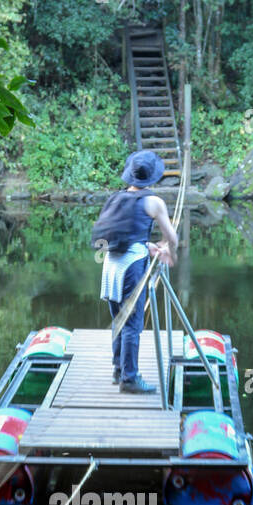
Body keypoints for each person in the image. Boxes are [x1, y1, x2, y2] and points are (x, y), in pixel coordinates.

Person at [100, 150, 178, 394]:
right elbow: (172, 236)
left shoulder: (116, 198)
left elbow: (119, 233)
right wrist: (170, 252)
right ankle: (129, 379)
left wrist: (147, 245)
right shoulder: (154, 202)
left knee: (119, 319)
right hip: (131, 268)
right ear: (152, 178)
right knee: (133, 323)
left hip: (110, 266)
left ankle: (118, 369)